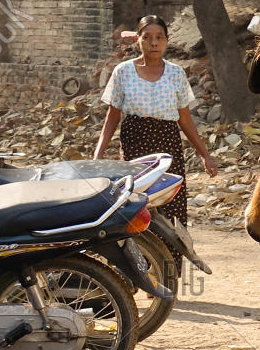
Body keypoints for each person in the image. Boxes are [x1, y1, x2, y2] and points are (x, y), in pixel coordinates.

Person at [93, 14, 218, 224]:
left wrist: (205, 155)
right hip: (135, 145)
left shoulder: (176, 74)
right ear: (137, 40)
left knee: (171, 206)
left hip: (168, 145)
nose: (153, 43)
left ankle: (170, 257)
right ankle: (139, 257)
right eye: (147, 37)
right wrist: (98, 155)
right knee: (136, 205)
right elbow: (112, 117)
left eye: (159, 37)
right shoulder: (123, 72)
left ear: (166, 41)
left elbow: (185, 119)